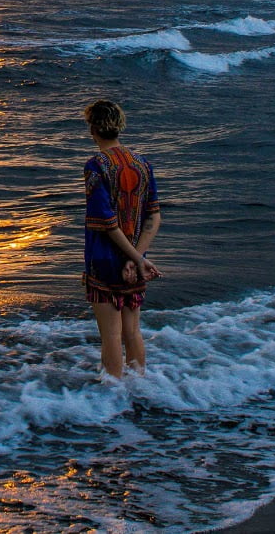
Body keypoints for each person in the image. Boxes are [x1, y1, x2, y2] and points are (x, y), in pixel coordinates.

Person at [80, 99, 161, 378]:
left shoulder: (96, 165)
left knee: (111, 337)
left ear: (93, 129)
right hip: (136, 260)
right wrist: (137, 258)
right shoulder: (143, 164)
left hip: (104, 258)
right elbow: (153, 217)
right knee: (133, 331)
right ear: (119, 127)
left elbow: (107, 223)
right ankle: (139, 387)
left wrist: (132, 258)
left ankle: (112, 401)